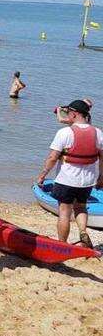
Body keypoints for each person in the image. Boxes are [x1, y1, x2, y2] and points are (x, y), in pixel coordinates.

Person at [37, 99, 102, 247]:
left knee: (64, 212)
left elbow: (52, 157)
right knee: (81, 207)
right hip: (87, 181)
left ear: (73, 114)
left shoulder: (65, 132)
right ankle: (83, 232)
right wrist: (101, 176)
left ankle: (62, 245)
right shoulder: (98, 133)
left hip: (66, 180)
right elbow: (102, 158)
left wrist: (42, 175)